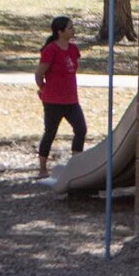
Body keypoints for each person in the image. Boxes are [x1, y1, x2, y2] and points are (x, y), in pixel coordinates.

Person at [36, 15, 87, 178]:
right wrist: (43, 89)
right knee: (50, 132)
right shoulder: (51, 50)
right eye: (70, 27)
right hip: (53, 101)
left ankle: (76, 165)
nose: (73, 30)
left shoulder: (73, 49)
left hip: (71, 100)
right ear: (60, 32)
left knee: (81, 129)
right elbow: (39, 73)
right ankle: (42, 169)